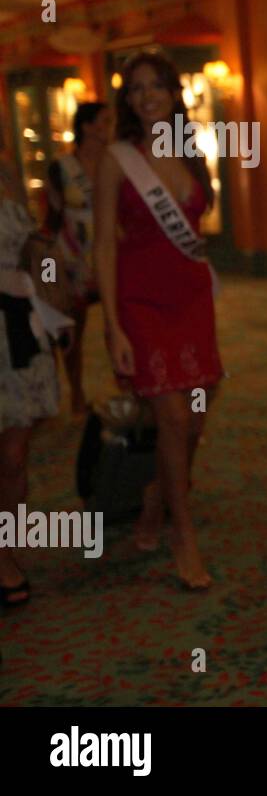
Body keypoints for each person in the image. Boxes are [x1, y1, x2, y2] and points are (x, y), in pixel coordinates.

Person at [94, 52, 223, 590]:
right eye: (136, 88)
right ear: (127, 100)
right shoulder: (117, 159)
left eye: (157, 86)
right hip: (141, 303)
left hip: (191, 300)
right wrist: (113, 325)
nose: (147, 96)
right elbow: (103, 243)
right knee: (170, 415)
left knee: (192, 419)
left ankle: (155, 497)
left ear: (173, 95)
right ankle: (182, 532)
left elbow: (199, 225)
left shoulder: (191, 154)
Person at [0, 162, 62, 608]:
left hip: (17, 328)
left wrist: (49, 282)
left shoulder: (7, 174)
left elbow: (37, 256)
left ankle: (5, 548)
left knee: (14, 455)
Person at [47, 101, 113, 414]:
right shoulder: (62, 167)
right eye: (104, 121)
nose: (110, 127)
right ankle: (76, 390)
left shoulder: (117, 161)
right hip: (73, 254)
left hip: (111, 247)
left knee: (120, 319)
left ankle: (126, 383)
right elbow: (52, 216)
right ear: (86, 126)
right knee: (75, 323)